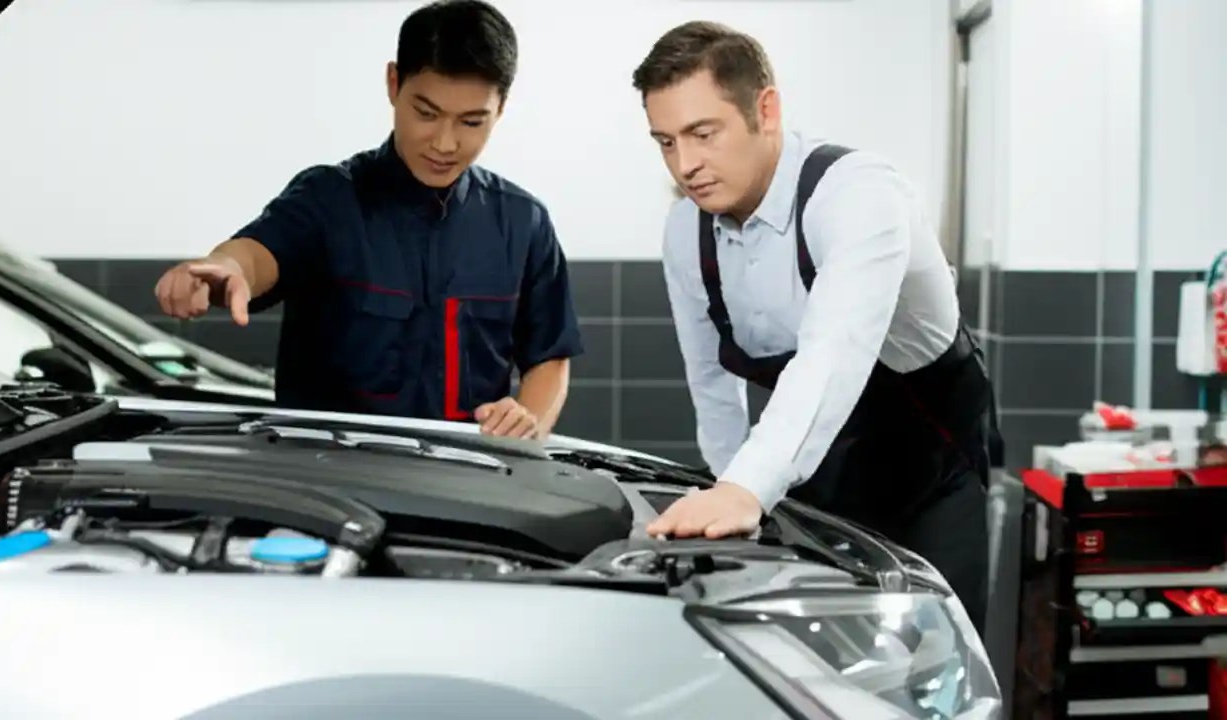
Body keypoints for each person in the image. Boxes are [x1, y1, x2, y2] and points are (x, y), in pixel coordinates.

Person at [631, 21, 1000, 628]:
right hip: (811, 477)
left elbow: (834, 354)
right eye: (666, 142)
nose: (685, 165)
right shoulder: (686, 231)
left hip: (930, 485)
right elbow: (712, 383)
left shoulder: (858, 196)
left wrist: (748, 488)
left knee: (929, 658)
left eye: (703, 133)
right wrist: (729, 491)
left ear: (766, 110)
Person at [153, 0, 582, 440]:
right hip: (328, 473)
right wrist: (225, 268)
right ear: (394, 84)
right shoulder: (328, 198)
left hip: (466, 474)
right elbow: (256, 255)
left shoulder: (523, 223)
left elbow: (549, 357)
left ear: (501, 108)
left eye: (471, 122)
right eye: (426, 114)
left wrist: (527, 424)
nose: (445, 143)